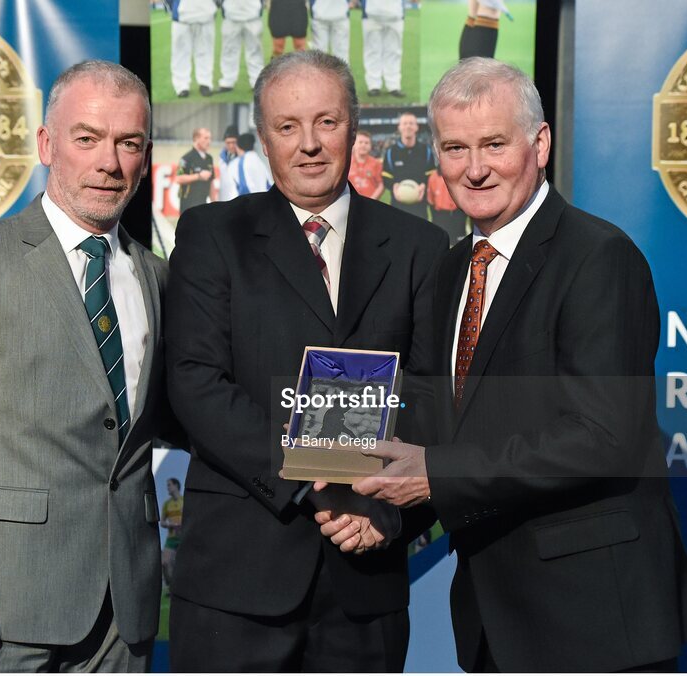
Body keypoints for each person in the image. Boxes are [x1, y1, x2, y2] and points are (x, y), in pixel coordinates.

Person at [327, 58, 687, 671]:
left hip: (591, 619)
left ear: (540, 143)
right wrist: (387, 504)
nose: (474, 168)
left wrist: (434, 477)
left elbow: (602, 437)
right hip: (494, 616)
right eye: (455, 148)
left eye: (493, 144)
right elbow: (445, 429)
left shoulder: (599, 258)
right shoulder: (453, 269)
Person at [165, 50, 447, 672]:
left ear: (354, 128)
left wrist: (392, 509)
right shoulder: (212, 235)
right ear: (264, 139)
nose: (310, 144)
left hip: (366, 573)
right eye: (288, 126)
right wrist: (314, 488)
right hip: (236, 584)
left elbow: (432, 396)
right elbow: (196, 383)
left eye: (327, 121)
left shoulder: (419, 246)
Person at [0, 60, 180, 672]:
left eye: (128, 143)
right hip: (4, 607)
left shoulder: (155, 276)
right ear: (47, 145)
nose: (110, 161)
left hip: (124, 615)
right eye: (88, 138)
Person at [383, 111, 436, 219]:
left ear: (416, 127)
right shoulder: (391, 151)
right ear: (399, 127)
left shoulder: (426, 150)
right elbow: (386, 175)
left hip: (420, 206)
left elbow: (431, 175)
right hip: (397, 206)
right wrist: (393, 186)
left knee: (420, 235)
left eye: (411, 123)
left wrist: (423, 186)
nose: (408, 126)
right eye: (405, 123)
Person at [169, 0, 217, 97]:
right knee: (181, 55)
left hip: (206, 16)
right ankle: (181, 87)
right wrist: (174, 8)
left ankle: (205, 83)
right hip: (182, 17)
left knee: (205, 52)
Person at [219, 0, 265, 92]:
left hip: (252, 15)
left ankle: (256, 81)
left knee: (255, 51)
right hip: (231, 15)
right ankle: (227, 82)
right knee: (229, 50)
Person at [361, 0, 405, 97]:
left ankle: (394, 86)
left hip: (395, 12)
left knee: (394, 51)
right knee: (372, 50)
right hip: (371, 13)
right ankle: (373, 85)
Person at [174, 127, 215, 213]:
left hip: (203, 204)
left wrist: (214, 205)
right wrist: (198, 176)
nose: (209, 141)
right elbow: (178, 178)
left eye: (210, 138)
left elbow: (211, 183)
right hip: (187, 205)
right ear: (196, 139)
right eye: (206, 138)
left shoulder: (209, 159)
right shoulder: (186, 158)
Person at [161, 478, 184, 591]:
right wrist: (170, 525)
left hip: (184, 537)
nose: (167, 487)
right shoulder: (166, 504)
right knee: (164, 562)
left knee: (184, 564)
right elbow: (162, 522)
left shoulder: (185, 501)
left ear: (176, 486)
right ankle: (172, 587)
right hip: (171, 538)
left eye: (169, 485)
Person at [348, 130, 385, 200]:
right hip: (350, 203)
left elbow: (381, 184)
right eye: (360, 142)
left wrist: (372, 199)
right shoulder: (346, 163)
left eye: (366, 143)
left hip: (370, 204)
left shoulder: (377, 163)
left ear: (370, 146)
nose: (363, 145)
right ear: (354, 144)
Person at [217, 125, 242, 202]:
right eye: (228, 143)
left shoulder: (243, 159)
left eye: (233, 142)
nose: (231, 146)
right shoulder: (221, 157)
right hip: (223, 198)